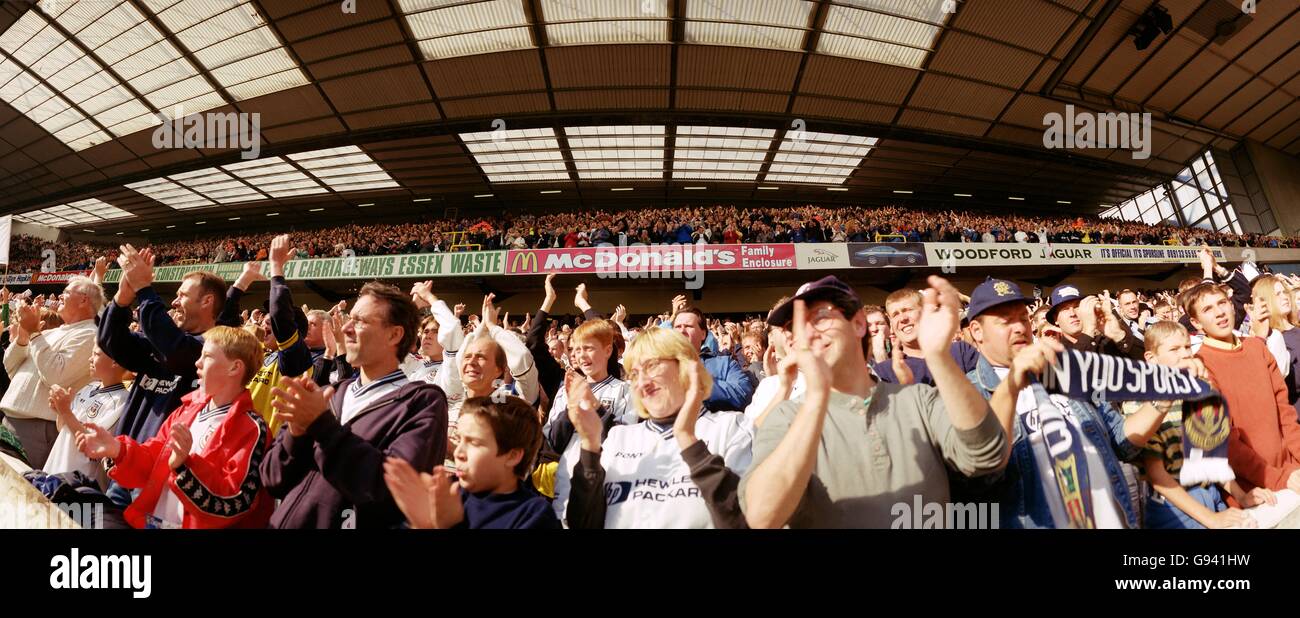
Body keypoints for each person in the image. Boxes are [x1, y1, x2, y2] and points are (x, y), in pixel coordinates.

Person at [740, 275, 1006, 528]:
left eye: (820, 317)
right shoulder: (785, 418)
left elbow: (987, 456)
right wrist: (817, 398)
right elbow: (762, 516)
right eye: (794, 327)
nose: (808, 333)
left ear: (858, 323)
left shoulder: (919, 400)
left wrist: (938, 357)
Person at [965, 277, 1167, 528]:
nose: (1019, 327)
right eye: (1005, 320)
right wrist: (1011, 385)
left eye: (1023, 318)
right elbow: (982, 477)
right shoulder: (966, 394)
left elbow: (1121, 440)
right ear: (976, 331)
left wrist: (1163, 399)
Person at [261, 282, 449, 528]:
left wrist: (322, 426)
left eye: (360, 321)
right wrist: (296, 434)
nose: (346, 328)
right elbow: (273, 480)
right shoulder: (329, 393)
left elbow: (390, 493)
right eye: (350, 318)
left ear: (395, 334)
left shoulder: (422, 402)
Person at [75, 326, 273, 529]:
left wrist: (184, 466)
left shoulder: (253, 429)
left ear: (234, 368)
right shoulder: (187, 410)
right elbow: (154, 457)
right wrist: (118, 449)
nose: (198, 362)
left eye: (207, 356)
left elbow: (234, 504)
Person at [566, 327, 751, 528]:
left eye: (652, 366)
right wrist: (590, 447)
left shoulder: (732, 428)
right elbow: (583, 524)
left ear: (686, 366)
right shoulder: (619, 437)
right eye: (634, 374)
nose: (642, 383)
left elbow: (744, 521)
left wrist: (688, 440)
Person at [98, 246, 227, 508]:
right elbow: (112, 342)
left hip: (162, 475)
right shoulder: (162, 342)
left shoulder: (214, 348)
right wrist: (123, 297)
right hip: (126, 464)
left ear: (207, 302)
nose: (175, 301)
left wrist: (145, 290)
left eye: (182, 295)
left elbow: (175, 349)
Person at [1134, 321, 1271, 529]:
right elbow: (1157, 475)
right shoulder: (1141, 403)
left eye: (1187, 347)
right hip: (1173, 507)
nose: (1185, 354)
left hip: (1212, 495)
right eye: (1174, 349)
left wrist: (1240, 496)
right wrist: (1210, 519)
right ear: (1151, 359)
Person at [1188, 282, 1300, 494]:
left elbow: (1284, 411)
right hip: (1253, 489)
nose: (1219, 312)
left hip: (1291, 469)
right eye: (1207, 309)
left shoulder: (1256, 346)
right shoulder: (1200, 365)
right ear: (1196, 322)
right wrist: (1275, 478)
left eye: (1222, 303)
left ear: (1232, 305)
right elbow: (1224, 441)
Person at [383, 396, 558, 529]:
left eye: (474, 442)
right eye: (459, 440)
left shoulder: (533, 515)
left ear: (512, 456)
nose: (458, 452)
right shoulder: (445, 492)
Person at [1, 276, 103, 468]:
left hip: (37, 428)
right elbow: (11, 368)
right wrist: (23, 338)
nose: (59, 298)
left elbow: (56, 376)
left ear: (83, 300)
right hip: (9, 419)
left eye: (66, 292)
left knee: (21, 491)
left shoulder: (90, 334)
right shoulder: (50, 333)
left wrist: (33, 333)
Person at [242, 235, 314, 435]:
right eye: (266, 319)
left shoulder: (296, 360)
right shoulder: (259, 353)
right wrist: (242, 282)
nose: (267, 321)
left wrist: (276, 268)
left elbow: (281, 316)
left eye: (271, 321)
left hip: (266, 448)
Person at [41, 346, 130, 487]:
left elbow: (93, 444)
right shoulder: (89, 387)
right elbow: (62, 429)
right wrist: (60, 411)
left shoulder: (121, 400)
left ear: (115, 362)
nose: (90, 358)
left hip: (77, 481)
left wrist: (65, 411)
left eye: (95, 354)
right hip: (55, 467)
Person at [873, 289, 980, 385]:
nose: (902, 319)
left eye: (908, 310)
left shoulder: (961, 352)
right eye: (895, 314)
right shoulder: (884, 371)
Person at [671, 306, 754, 411]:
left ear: (703, 334)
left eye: (688, 326)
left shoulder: (725, 364)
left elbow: (743, 395)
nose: (682, 330)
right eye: (678, 327)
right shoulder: (659, 364)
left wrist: (702, 382)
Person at [1042, 284, 1143, 360]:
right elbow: (1073, 369)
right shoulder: (1053, 352)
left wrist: (1119, 335)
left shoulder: (1106, 342)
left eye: (1077, 307)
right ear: (1056, 319)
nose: (1072, 313)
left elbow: (1148, 363)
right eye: (1065, 309)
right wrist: (1088, 330)